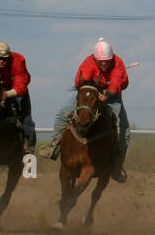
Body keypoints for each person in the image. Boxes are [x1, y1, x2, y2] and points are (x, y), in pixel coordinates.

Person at [45, 38, 131, 182]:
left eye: (107, 60)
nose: (104, 63)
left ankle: (116, 164)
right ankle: (54, 145)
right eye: (101, 61)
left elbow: (117, 81)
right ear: (95, 58)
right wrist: (93, 93)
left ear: (112, 58)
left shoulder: (118, 63)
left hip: (112, 96)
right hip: (90, 93)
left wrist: (107, 94)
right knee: (63, 114)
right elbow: (82, 79)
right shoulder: (88, 63)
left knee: (124, 129)